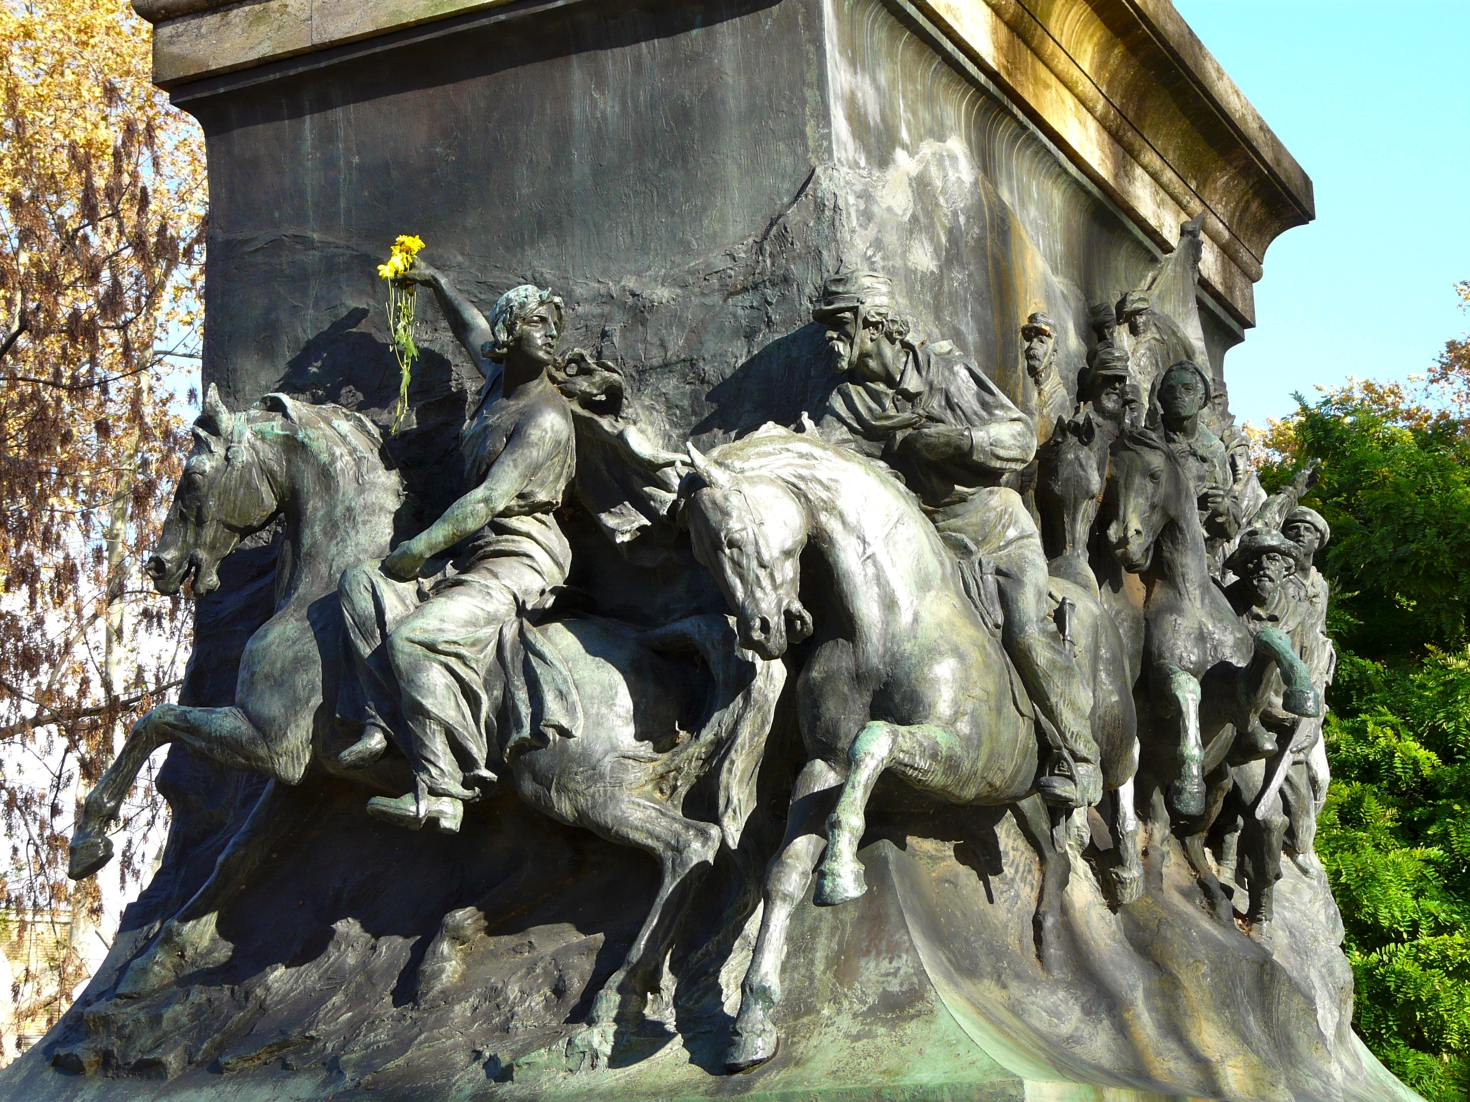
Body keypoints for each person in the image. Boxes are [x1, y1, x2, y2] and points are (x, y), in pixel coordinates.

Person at [812, 270, 1100, 808]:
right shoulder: (850, 406)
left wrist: (959, 440)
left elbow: (1019, 439)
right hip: (930, 542)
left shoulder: (944, 374)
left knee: (1025, 630)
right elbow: (829, 467)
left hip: (996, 531)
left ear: (873, 326)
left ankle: (1080, 758)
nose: (828, 340)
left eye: (838, 325)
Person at [335, 262, 577, 832]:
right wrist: (437, 282)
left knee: (419, 638)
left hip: (523, 556)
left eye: (552, 328)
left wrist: (419, 547)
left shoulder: (545, 416)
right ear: (509, 335)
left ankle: (441, 790)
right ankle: (382, 722)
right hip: (475, 555)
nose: (550, 337)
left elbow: (488, 500)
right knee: (360, 584)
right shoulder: (498, 383)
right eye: (539, 324)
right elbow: (474, 329)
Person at [1155, 360, 1242, 565]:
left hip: (1199, 557)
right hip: (1153, 550)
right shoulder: (1149, 440)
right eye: (1170, 390)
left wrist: (1222, 508)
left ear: (1201, 398)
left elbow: (1233, 525)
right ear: (1161, 399)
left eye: (1187, 389)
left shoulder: (1215, 450)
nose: (1178, 395)